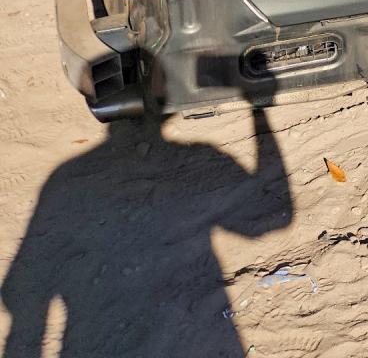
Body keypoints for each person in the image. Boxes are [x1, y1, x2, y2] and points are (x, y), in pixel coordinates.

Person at [2, 97, 291, 357]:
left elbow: (24, 298)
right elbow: (275, 217)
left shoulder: (64, 179)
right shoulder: (198, 157)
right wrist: (259, 108)